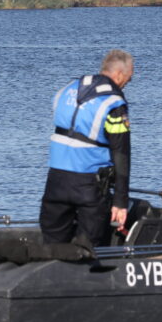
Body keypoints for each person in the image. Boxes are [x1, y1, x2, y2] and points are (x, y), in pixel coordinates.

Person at [40, 50, 134, 247]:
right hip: (89, 184)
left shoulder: (66, 89)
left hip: (56, 179)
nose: (126, 84)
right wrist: (120, 201)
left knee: (52, 242)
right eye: (128, 79)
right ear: (118, 75)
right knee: (89, 245)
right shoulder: (113, 103)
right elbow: (121, 153)